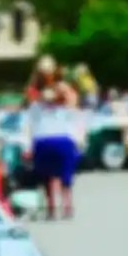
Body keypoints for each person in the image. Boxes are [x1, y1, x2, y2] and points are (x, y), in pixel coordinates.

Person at [27, 86, 80, 221]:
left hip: (43, 141)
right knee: (65, 177)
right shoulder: (66, 109)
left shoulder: (36, 109)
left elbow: (30, 127)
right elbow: (72, 97)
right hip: (63, 141)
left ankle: (52, 208)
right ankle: (67, 206)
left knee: (47, 177)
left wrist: (29, 148)